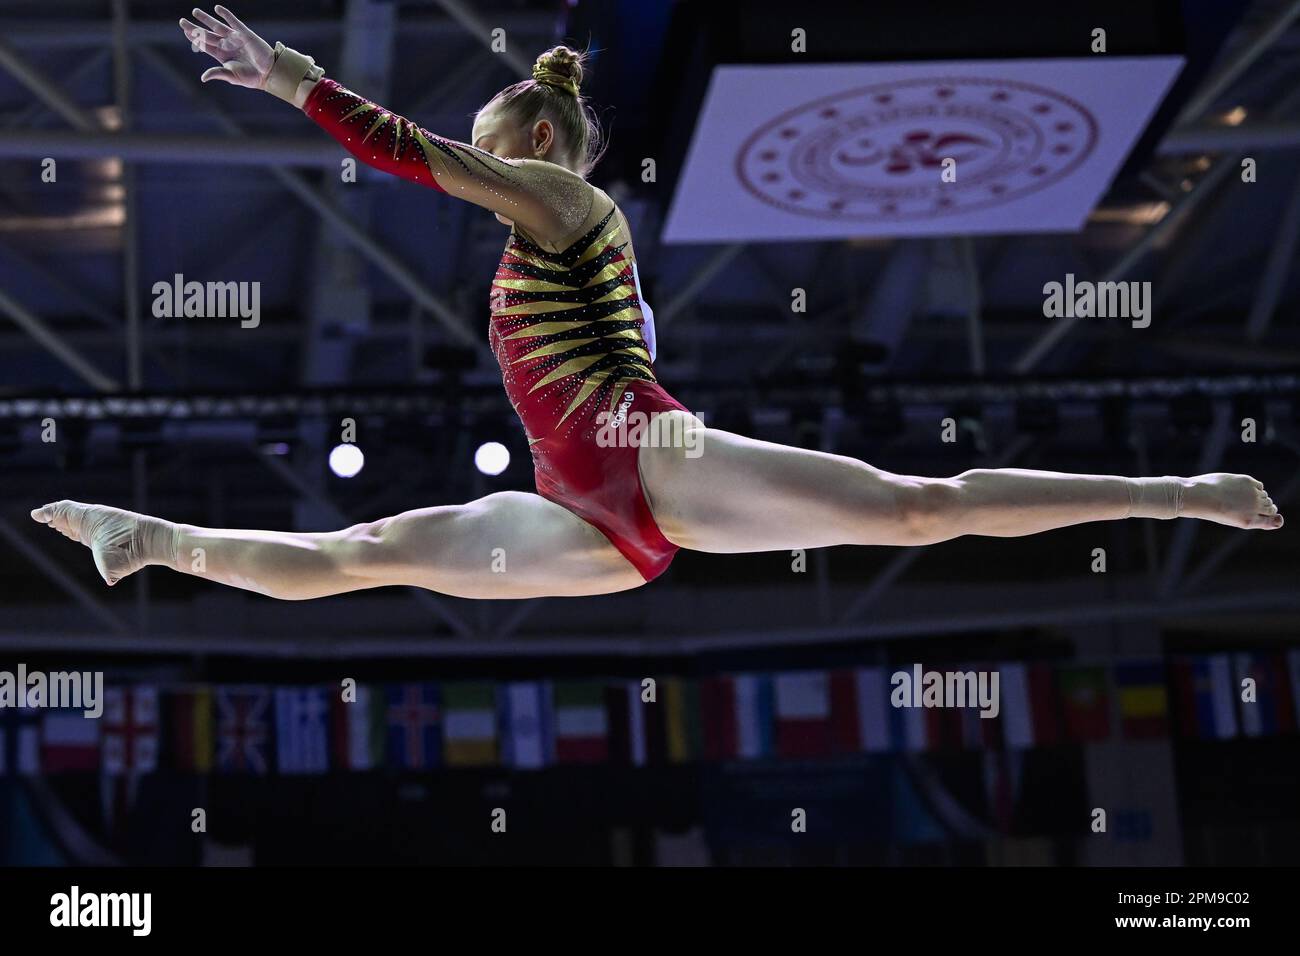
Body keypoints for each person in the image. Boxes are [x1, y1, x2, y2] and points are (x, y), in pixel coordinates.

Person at [30, 5, 1283, 601]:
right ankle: (146, 538)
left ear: (531, 135)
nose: (487, 153)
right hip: (583, 510)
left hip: (650, 447)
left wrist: (291, 75)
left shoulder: (565, 203)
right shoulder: (540, 215)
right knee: (368, 554)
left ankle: (1179, 491)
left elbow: (419, 153)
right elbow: (432, 154)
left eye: (496, 138)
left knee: (914, 510)